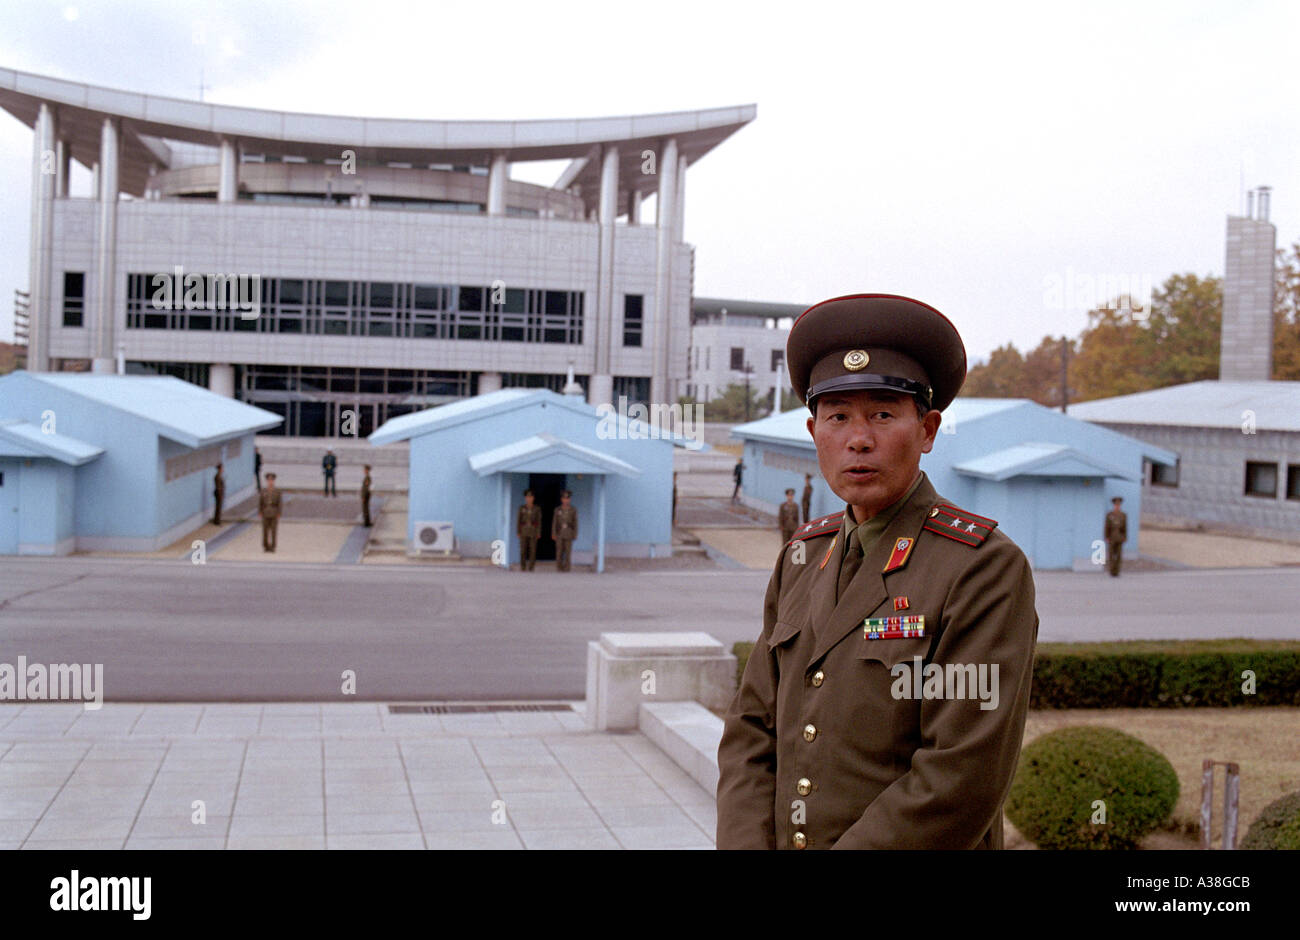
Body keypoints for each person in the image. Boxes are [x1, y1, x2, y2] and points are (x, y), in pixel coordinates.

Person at [716, 293, 1040, 850]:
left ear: (928, 430)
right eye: (838, 416)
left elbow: (959, 775)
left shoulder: (980, 566)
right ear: (815, 431)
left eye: (883, 414)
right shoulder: (802, 556)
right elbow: (751, 730)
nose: (858, 438)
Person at [552, 490, 578, 572]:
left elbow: (575, 523)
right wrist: (553, 533)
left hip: (569, 533)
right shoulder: (557, 510)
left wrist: (575, 534)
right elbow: (554, 522)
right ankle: (559, 568)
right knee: (559, 551)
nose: (566, 500)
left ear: (569, 500)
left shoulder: (573, 510)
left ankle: (567, 568)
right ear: (561, 499)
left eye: (567, 498)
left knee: (568, 552)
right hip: (559, 532)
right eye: (564, 498)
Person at [516, 490, 542, 571]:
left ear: (533, 498)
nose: (529, 499)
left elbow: (539, 521)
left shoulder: (537, 509)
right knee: (523, 550)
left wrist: (538, 532)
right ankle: (523, 567)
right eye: (527, 497)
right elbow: (518, 520)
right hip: (523, 531)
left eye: (530, 497)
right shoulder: (522, 508)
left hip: (533, 531)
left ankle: (531, 567)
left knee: (532, 550)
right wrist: (518, 531)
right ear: (525, 498)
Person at [1104, 496, 1127, 577]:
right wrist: (1106, 536)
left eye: (1119, 504)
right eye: (1116, 504)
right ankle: (1112, 571)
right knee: (1111, 555)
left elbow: (1125, 527)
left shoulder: (1123, 515)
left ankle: (1117, 571)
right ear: (1114, 505)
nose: (1117, 506)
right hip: (1111, 537)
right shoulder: (1109, 515)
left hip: (1120, 538)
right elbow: (1107, 527)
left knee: (1119, 555)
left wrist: (1125, 537)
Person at [259, 472, 282, 552]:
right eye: (269, 480)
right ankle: (266, 546)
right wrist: (260, 511)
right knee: (265, 530)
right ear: (267, 481)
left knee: (273, 531)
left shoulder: (277, 491)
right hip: (265, 512)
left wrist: (279, 512)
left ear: (274, 481)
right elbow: (260, 502)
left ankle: (273, 546)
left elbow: (279, 503)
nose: (270, 482)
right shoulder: (263, 491)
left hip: (274, 512)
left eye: (272, 480)